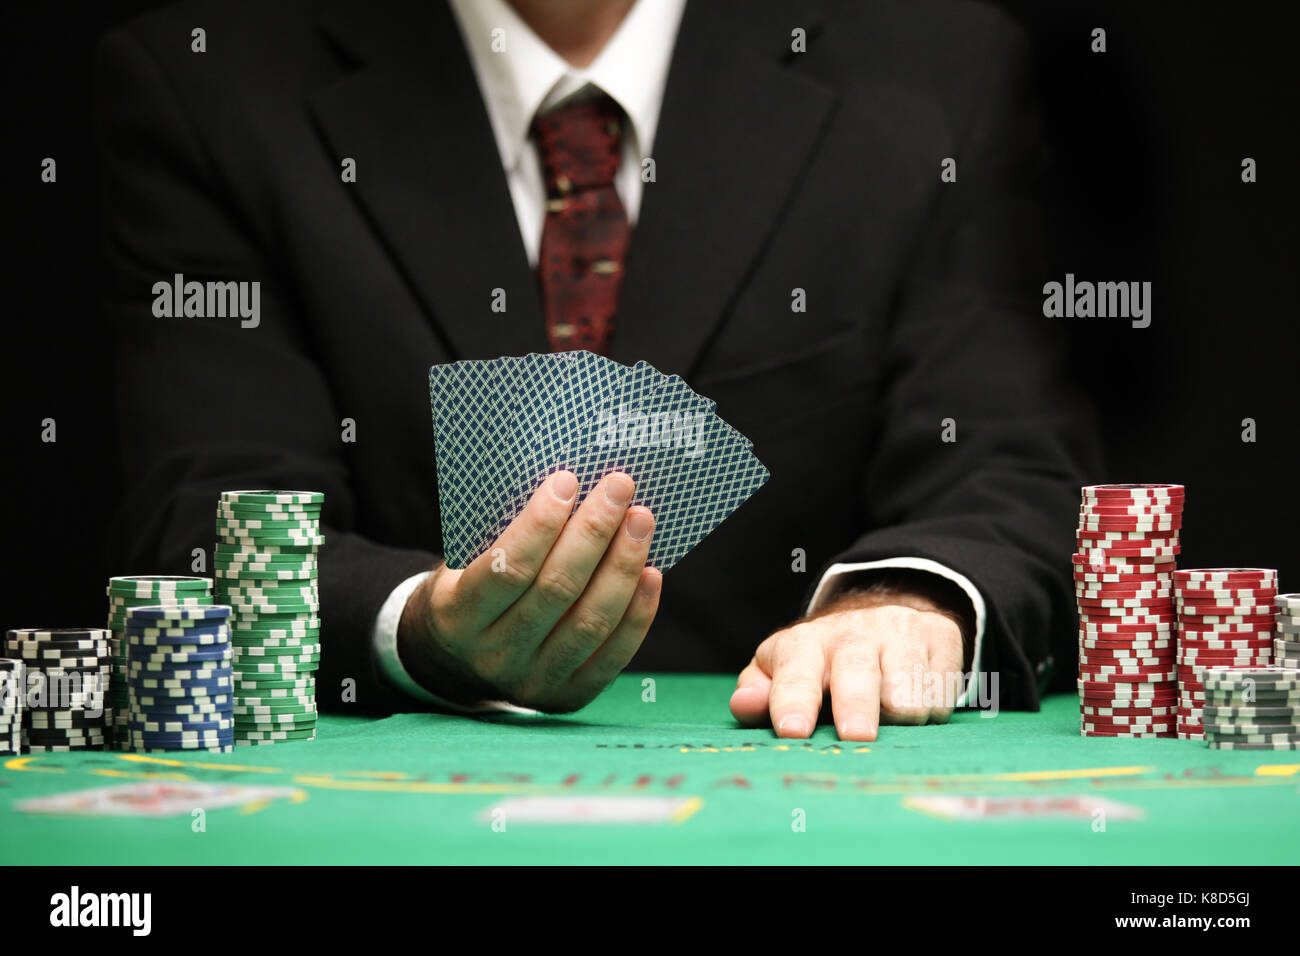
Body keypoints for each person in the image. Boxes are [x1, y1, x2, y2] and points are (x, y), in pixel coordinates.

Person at [95, 0, 1095, 741]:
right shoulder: (208, 82)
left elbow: (1006, 461)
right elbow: (215, 512)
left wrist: (906, 603)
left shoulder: (937, 70)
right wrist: (427, 628)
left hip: (804, 793)